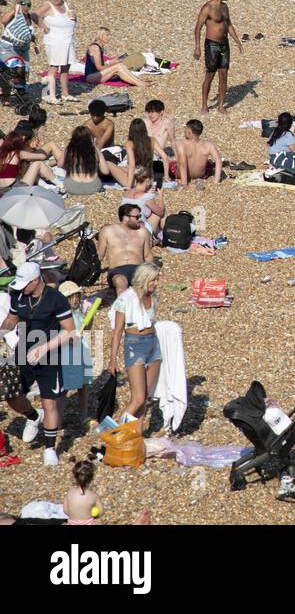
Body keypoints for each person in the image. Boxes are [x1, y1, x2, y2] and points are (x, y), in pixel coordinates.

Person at [1, 263, 75, 466]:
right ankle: (33, 416)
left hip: (49, 356)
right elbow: (11, 319)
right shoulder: (19, 296)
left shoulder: (55, 299)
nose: (21, 288)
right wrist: (1, 331)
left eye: (25, 284)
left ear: (36, 281)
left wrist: (44, 348)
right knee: (12, 394)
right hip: (22, 352)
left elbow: (70, 331)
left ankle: (50, 448)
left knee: (49, 401)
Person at [108, 264, 162, 421]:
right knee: (137, 398)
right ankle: (114, 433)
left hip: (153, 344)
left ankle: (135, 438)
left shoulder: (153, 297)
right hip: (134, 344)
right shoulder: (125, 299)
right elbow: (118, 331)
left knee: (145, 398)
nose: (156, 283)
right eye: (153, 280)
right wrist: (113, 360)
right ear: (144, 279)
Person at [194, 0, 241, 114]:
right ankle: (204, 104)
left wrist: (237, 42)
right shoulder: (208, 7)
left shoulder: (225, 7)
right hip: (212, 44)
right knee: (210, 74)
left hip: (224, 44)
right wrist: (197, 47)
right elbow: (198, 28)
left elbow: (229, 25)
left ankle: (221, 105)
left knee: (223, 74)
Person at [96, 203, 155, 297]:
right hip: (117, 270)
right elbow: (99, 254)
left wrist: (154, 272)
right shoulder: (108, 231)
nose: (139, 219)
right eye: (137, 217)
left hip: (138, 269)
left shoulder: (143, 232)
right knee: (120, 281)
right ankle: (123, 308)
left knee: (140, 290)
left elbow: (147, 255)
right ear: (126, 217)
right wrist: (90, 273)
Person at [35, 0, 77, 104]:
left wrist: (74, 19)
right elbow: (34, 15)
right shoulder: (48, 5)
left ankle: (65, 94)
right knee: (54, 67)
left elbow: (72, 17)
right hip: (54, 41)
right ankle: (51, 95)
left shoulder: (65, 4)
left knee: (65, 68)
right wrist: (43, 26)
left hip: (68, 40)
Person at [174, 119, 222, 186]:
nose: (184, 131)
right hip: (202, 175)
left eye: (185, 129)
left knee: (172, 164)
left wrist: (184, 183)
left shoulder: (181, 144)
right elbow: (219, 161)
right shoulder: (208, 145)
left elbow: (183, 164)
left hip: (183, 175)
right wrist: (216, 181)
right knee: (209, 164)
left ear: (189, 131)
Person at [64, 460, 102, 525]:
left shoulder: (69, 493)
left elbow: (66, 511)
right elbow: (101, 512)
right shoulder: (93, 496)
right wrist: (95, 515)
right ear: (91, 478)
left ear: (75, 477)